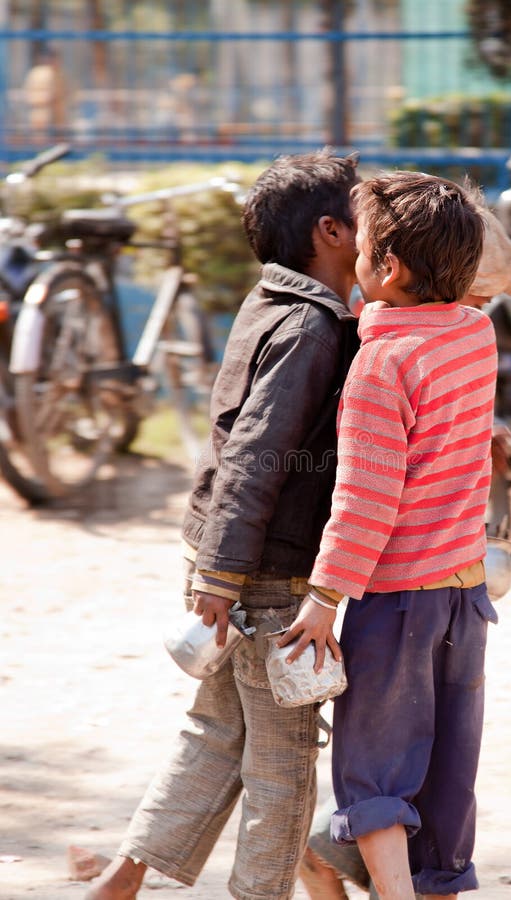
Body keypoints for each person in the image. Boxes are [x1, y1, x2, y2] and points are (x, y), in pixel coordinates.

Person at [87, 149, 360, 900]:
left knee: (215, 734)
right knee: (281, 762)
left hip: (227, 559)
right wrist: (223, 575)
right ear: (332, 231)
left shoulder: (269, 301)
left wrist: (213, 568)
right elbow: (257, 455)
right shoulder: (311, 328)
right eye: (367, 208)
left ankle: (120, 877)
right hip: (263, 577)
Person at [297, 203, 511, 900]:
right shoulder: (474, 334)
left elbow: (364, 502)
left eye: (362, 250)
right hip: (466, 598)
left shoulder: (381, 364)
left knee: (375, 769)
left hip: (398, 601)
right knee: (449, 768)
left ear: (388, 269)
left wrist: (323, 597)